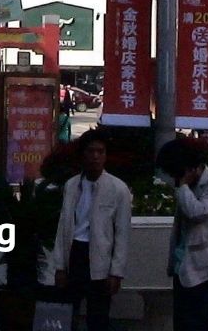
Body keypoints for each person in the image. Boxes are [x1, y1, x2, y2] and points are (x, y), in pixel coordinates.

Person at [51, 129, 132, 331]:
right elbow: (63, 226)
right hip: (75, 254)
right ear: (83, 155)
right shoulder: (71, 186)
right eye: (91, 151)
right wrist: (60, 266)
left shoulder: (118, 189)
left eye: (100, 151)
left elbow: (122, 234)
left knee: (98, 317)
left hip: (100, 259)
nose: (95, 156)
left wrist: (116, 272)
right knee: (68, 314)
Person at [158, 138, 208, 331]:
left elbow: (196, 212)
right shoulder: (186, 185)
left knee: (197, 322)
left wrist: (183, 186)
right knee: (181, 321)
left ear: (190, 168)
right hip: (181, 267)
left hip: (201, 268)